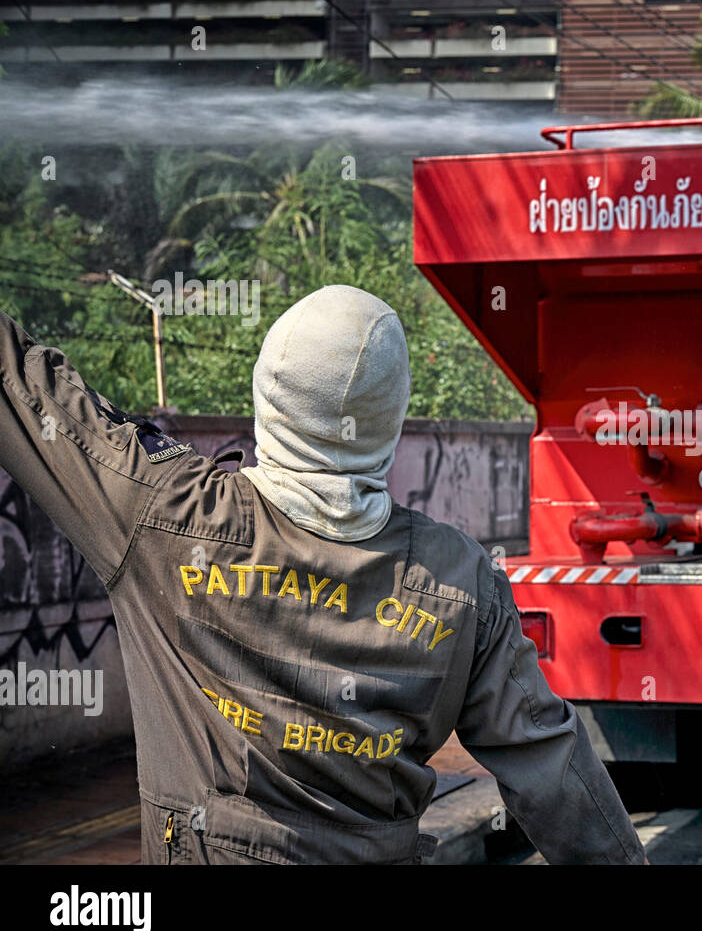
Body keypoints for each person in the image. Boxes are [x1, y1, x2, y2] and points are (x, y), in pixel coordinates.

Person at [0, 285, 647, 864]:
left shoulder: (163, 516)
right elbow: (551, 764)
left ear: (266, 392)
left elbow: (26, 389)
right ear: (391, 418)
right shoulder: (460, 577)